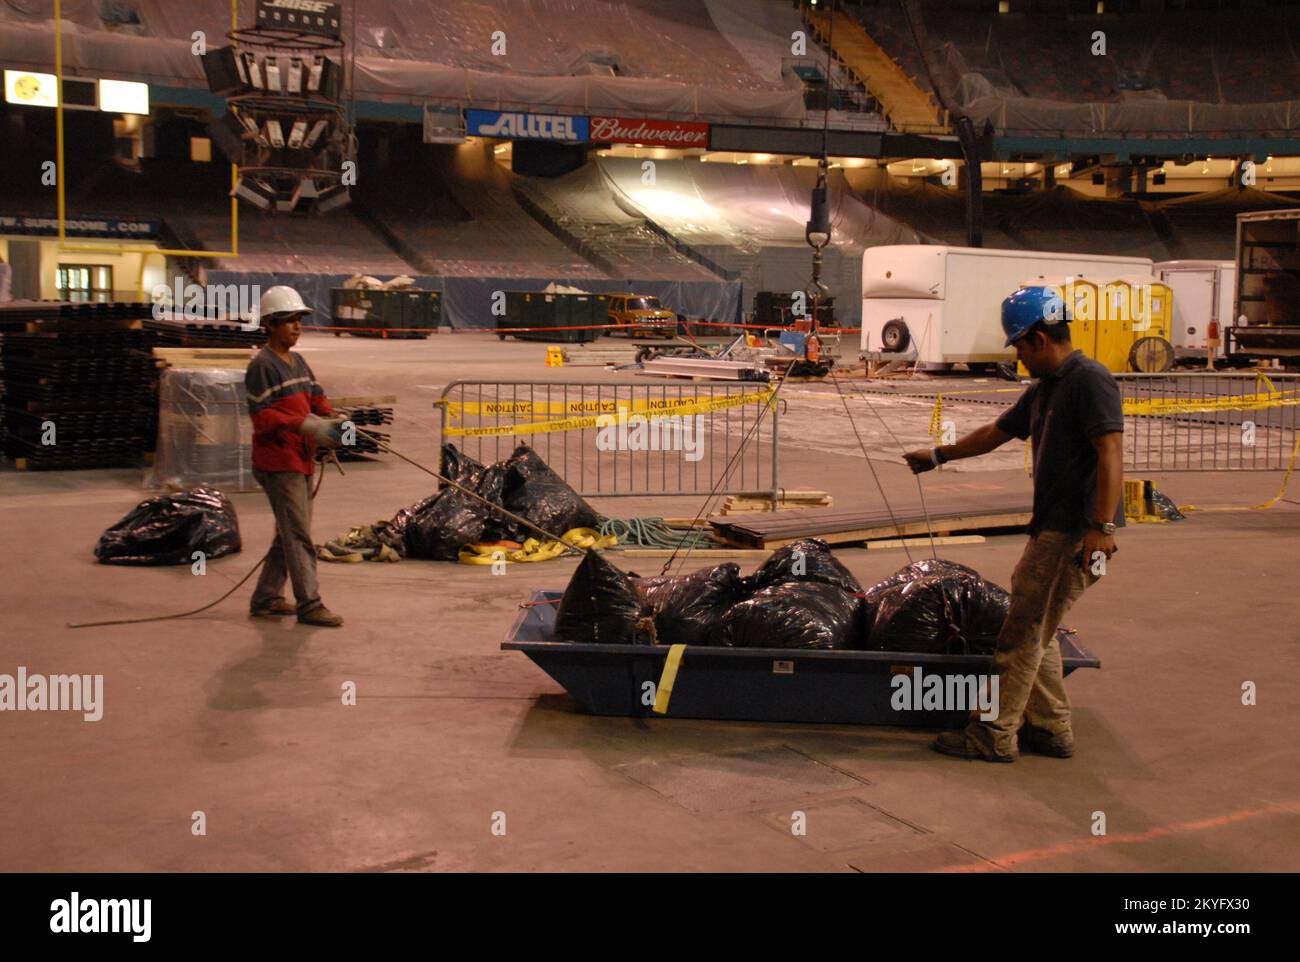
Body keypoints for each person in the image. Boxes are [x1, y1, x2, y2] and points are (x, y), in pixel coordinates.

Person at [903, 285, 1123, 762]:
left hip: (1074, 533)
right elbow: (996, 433)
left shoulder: (1090, 380)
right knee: (1037, 628)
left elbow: (1111, 451)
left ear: (1039, 339)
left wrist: (1102, 530)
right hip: (1054, 529)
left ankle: (992, 735)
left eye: (1020, 346)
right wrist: (939, 454)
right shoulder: (1048, 387)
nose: (1018, 357)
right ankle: (1050, 729)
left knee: (1021, 635)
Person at [244, 285, 346, 627]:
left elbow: (316, 396)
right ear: (271, 324)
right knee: (299, 534)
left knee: (288, 532)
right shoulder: (262, 365)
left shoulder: (298, 361)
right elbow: (263, 418)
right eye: (289, 321)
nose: (297, 327)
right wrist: (305, 426)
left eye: (299, 321)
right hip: (278, 462)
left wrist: (333, 419)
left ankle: (267, 597)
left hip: (301, 458)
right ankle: (310, 604)